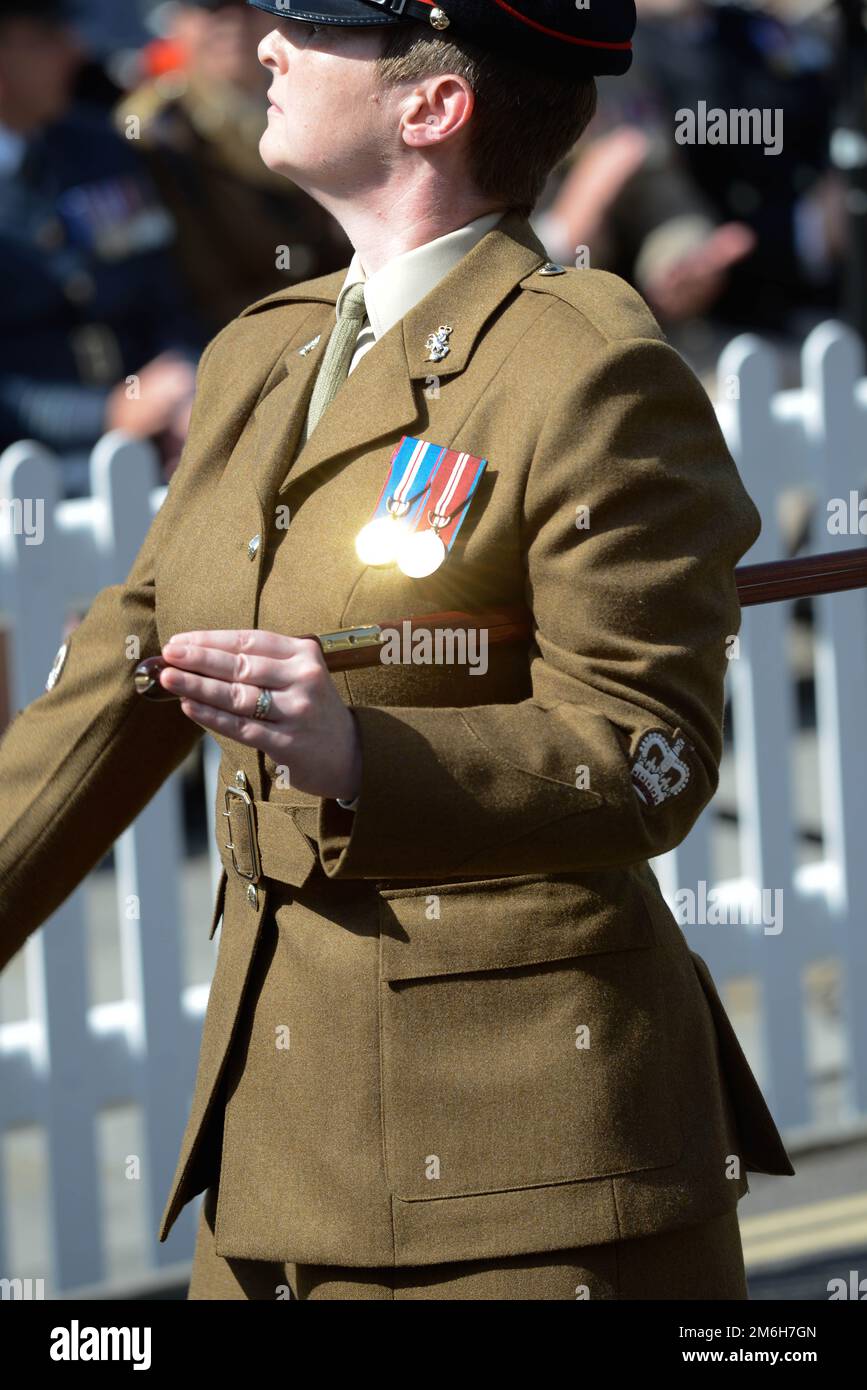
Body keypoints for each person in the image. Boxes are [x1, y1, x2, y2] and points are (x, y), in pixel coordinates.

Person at [0, 0, 795, 1301]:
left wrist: (367, 751)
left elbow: (650, 751)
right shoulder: (263, 350)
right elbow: (119, 681)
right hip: (269, 1169)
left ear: (430, 107)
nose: (265, 44)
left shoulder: (586, 371)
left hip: (523, 1189)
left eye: (317, 25)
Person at [0, 0, 203, 498]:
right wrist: (108, 413)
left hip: (163, 453)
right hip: (34, 485)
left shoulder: (100, 152)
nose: (74, 51)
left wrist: (189, 383)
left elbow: (166, 297)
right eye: (44, 37)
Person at [114, 0, 351, 337]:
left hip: (331, 310)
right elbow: (187, 287)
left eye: (248, 5)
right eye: (209, 7)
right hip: (233, 336)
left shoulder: (320, 105)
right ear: (175, 23)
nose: (230, 20)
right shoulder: (152, 134)